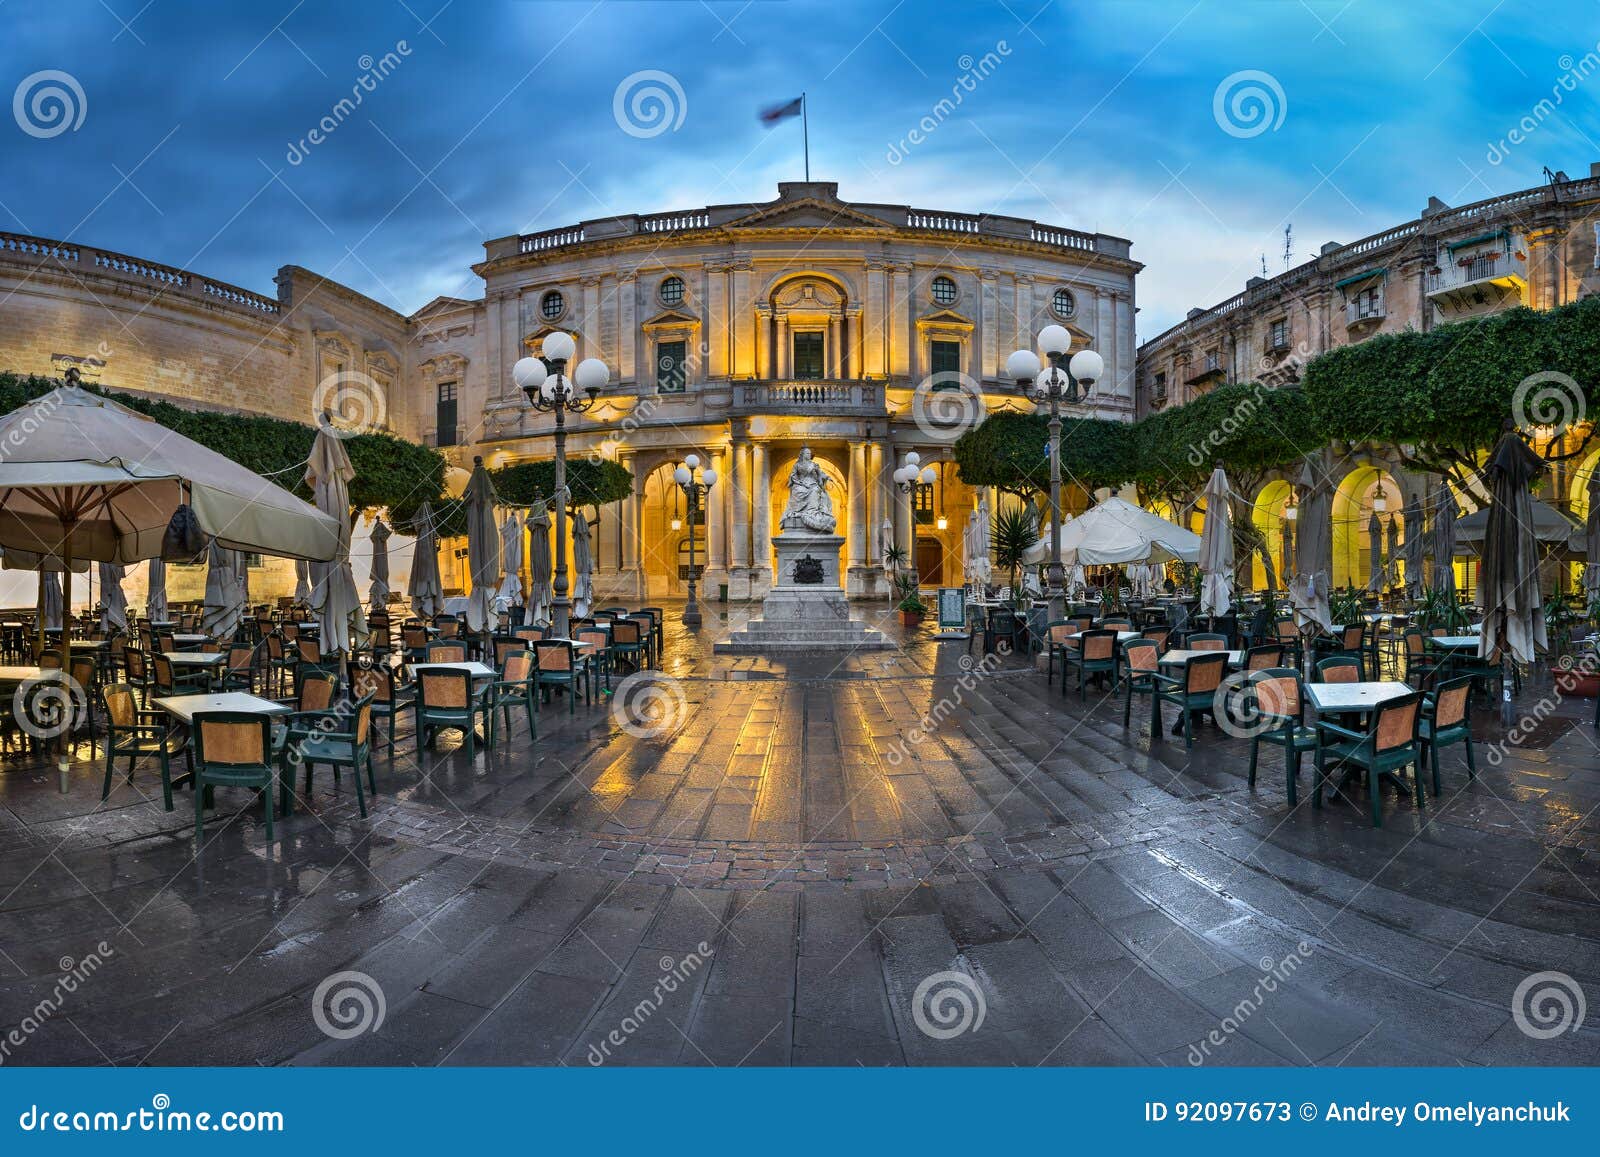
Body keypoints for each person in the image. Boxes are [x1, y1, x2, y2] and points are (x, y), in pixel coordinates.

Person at [779, 447, 837, 533]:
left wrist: (827, 478)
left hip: (813, 483)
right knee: (797, 490)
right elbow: (793, 476)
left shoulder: (814, 465)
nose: (808, 455)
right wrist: (800, 482)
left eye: (809, 454)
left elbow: (821, 474)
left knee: (815, 490)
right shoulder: (797, 465)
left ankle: (812, 512)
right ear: (802, 455)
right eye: (807, 453)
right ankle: (800, 512)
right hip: (800, 484)